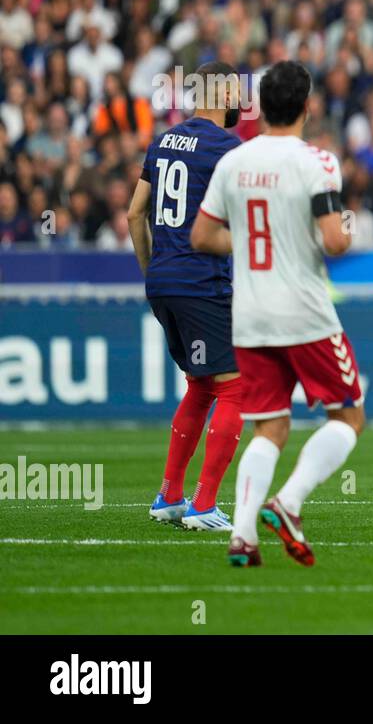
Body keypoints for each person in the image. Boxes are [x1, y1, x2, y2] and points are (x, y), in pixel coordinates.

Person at [191, 61, 362, 568]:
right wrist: (346, 237)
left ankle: (242, 535)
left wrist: (244, 243)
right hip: (305, 314)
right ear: (308, 107)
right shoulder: (318, 162)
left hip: (250, 316)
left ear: (259, 107)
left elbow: (202, 238)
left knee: (269, 428)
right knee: (348, 415)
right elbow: (333, 241)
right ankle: (287, 503)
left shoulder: (234, 163)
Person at [126, 61, 244, 532]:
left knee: (201, 384)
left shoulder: (162, 141)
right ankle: (203, 505)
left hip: (163, 280)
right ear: (226, 92)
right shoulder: (228, 149)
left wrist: (153, 272)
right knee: (238, 385)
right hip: (202, 282)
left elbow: (136, 214)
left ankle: (169, 497)